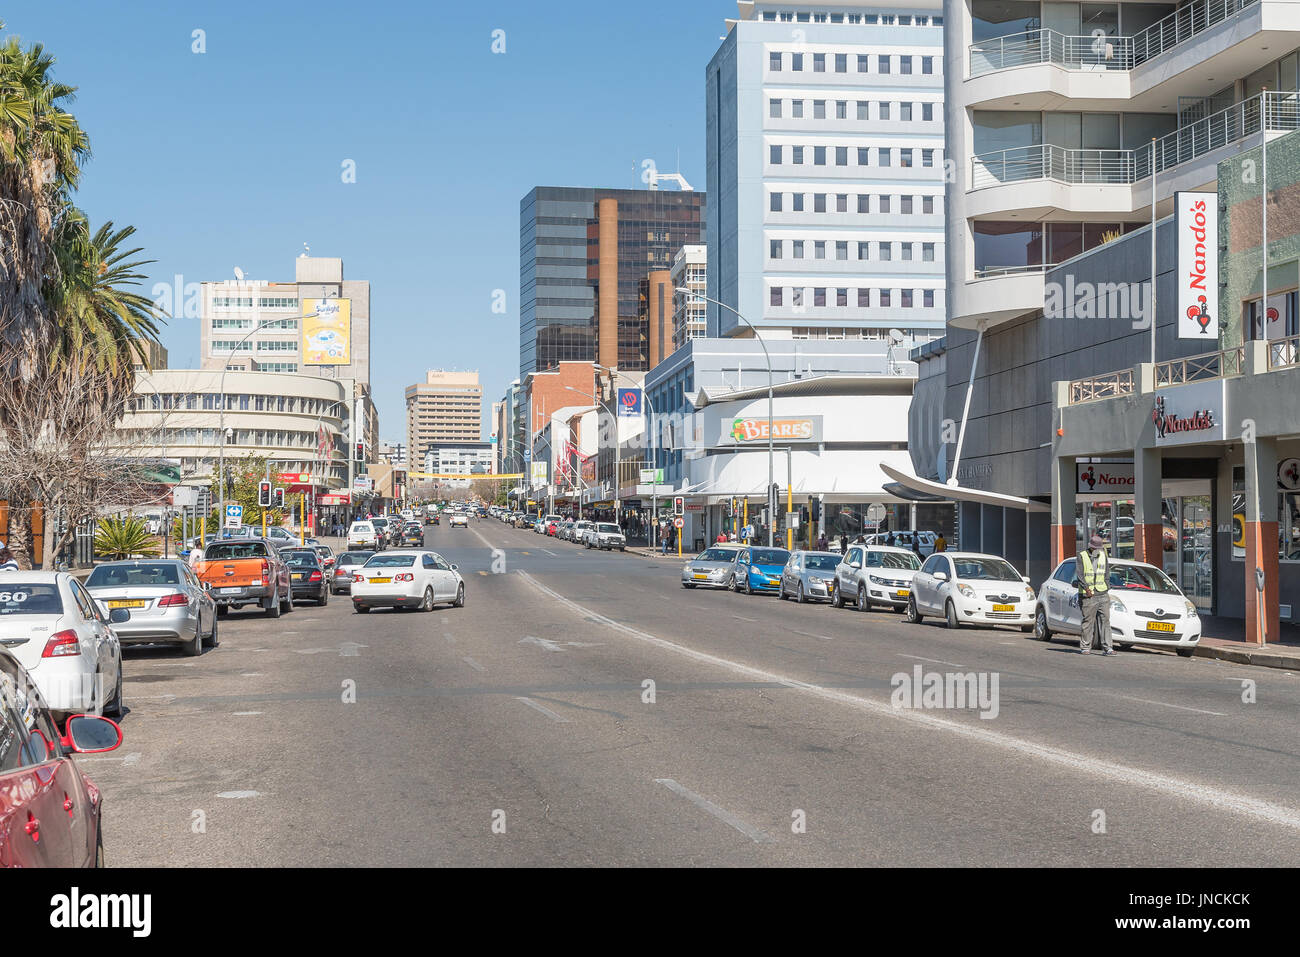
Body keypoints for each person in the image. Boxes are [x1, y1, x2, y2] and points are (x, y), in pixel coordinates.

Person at [1077, 533, 1114, 656]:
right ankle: (1085, 647)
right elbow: (1080, 575)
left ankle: (1108, 647)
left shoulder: (1103, 555)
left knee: (1105, 621)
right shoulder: (1082, 556)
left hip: (1102, 593)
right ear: (1092, 548)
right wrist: (1086, 589)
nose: (1100, 550)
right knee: (1088, 621)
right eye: (1098, 548)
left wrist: (1107, 586)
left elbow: (1107, 572)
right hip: (1089, 595)